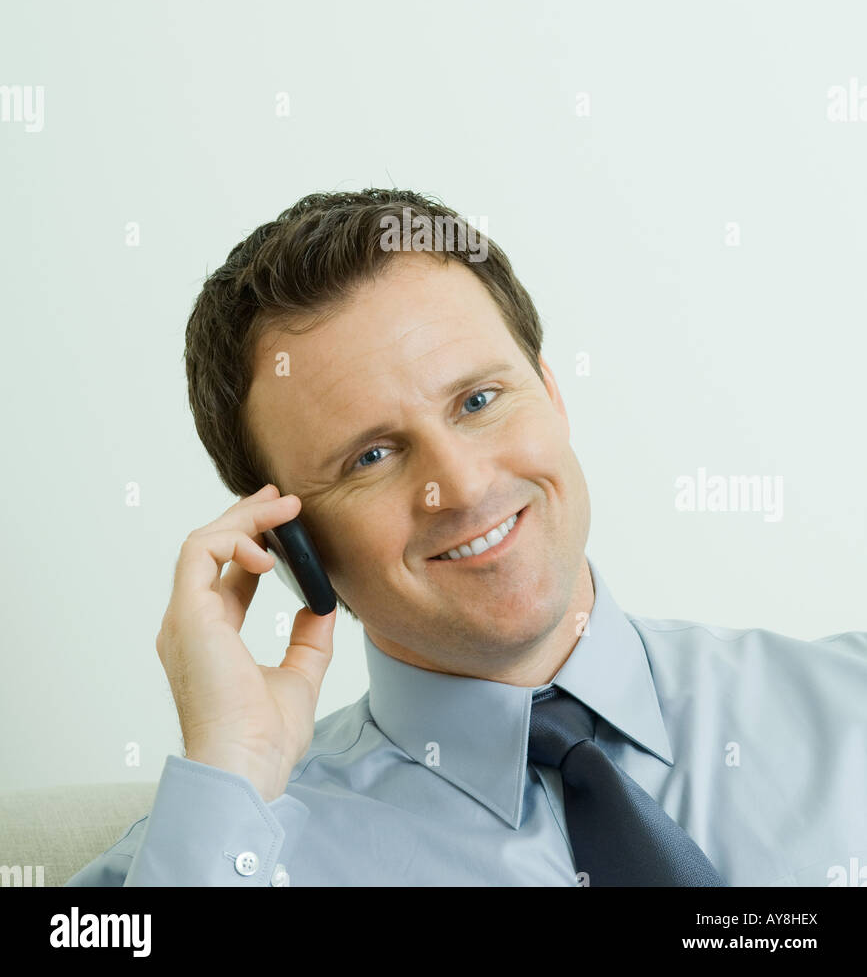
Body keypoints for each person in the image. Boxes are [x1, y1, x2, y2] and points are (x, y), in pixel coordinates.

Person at [65, 189, 866, 887]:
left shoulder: (847, 703)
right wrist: (230, 768)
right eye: (371, 456)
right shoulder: (212, 851)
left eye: (479, 401)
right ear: (286, 542)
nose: (466, 486)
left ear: (549, 394)